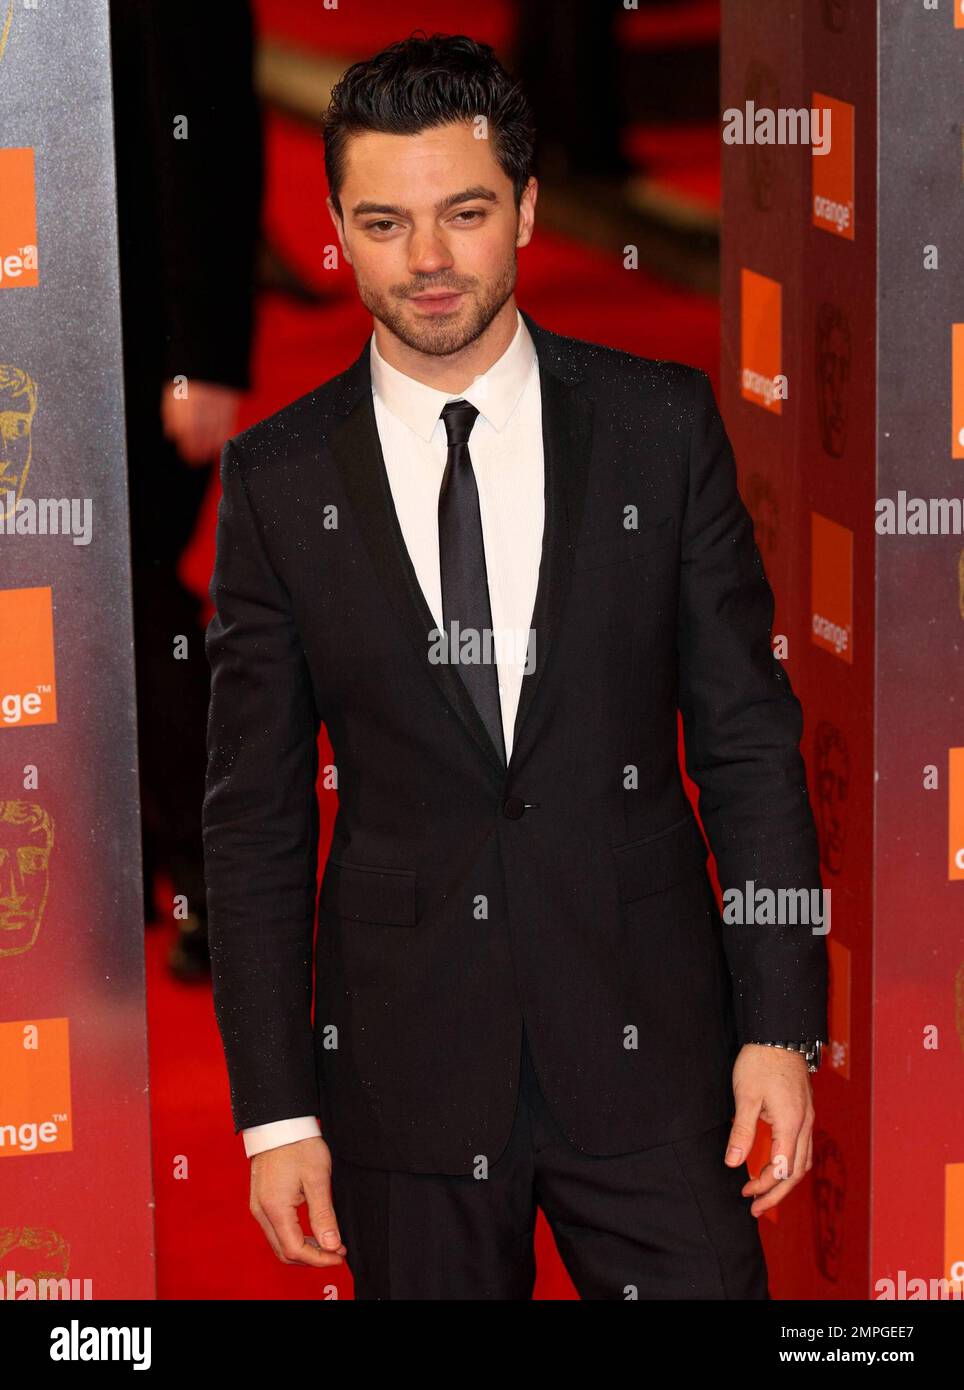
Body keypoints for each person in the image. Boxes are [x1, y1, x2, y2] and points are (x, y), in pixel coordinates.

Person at [202, 33, 828, 1300]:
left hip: (652, 1050)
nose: (426, 261)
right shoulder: (278, 481)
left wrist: (776, 1021)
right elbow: (255, 819)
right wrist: (275, 1114)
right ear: (333, 224)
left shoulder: (660, 426)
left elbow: (748, 738)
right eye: (383, 222)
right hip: (400, 1070)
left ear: (529, 208)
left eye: (465, 212)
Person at [110, 0, 263, 979]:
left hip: (141, 336)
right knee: (63, 591)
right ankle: (107, 861)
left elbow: (211, 135)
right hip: (35, 322)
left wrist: (203, 356)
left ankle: (218, 880)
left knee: (138, 590)